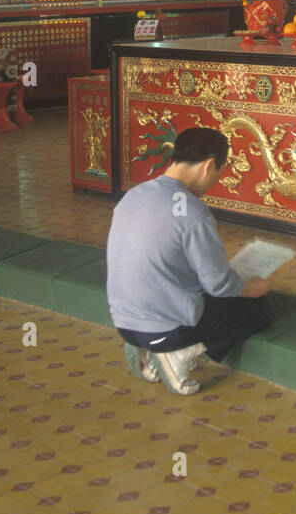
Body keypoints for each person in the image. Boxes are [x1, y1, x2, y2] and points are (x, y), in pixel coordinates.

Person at [106, 127, 278, 395]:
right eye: (219, 174)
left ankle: (145, 348)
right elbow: (219, 285)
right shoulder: (192, 211)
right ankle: (179, 352)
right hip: (166, 330)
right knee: (257, 307)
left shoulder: (134, 195)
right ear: (209, 166)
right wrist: (257, 289)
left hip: (125, 324)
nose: (215, 182)